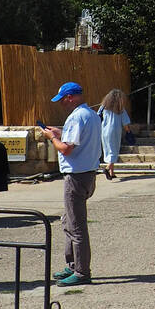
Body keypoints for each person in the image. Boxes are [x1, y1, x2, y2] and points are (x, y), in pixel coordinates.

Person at [39, 83, 101, 288]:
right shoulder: (91, 114)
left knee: (76, 226)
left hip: (76, 176)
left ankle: (82, 271)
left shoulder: (76, 117)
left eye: (64, 99)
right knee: (69, 220)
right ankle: (73, 264)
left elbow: (66, 149)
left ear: (71, 97)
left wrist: (52, 138)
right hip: (88, 173)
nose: (62, 104)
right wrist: (61, 131)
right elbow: (78, 139)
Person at [98, 88, 132, 180]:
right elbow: (125, 123)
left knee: (108, 150)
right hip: (115, 132)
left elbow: (98, 117)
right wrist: (128, 132)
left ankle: (112, 172)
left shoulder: (103, 107)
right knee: (114, 151)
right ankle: (107, 168)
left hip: (104, 131)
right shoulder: (120, 109)